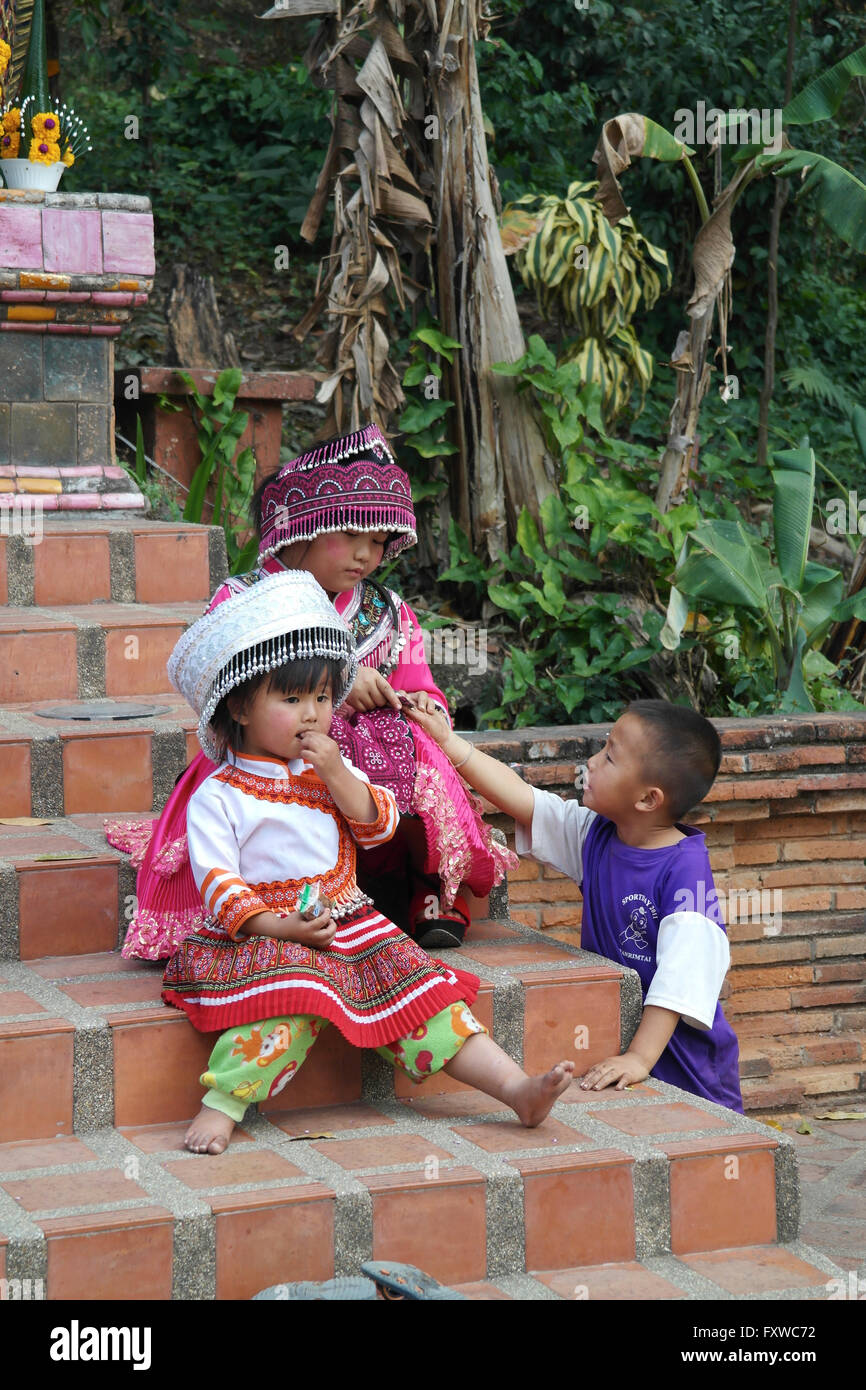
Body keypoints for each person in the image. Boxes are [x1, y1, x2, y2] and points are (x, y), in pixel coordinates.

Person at [161, 570, 575, 1154]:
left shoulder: (329, 770)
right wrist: (279, 926)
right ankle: (225, 1102)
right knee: (289, 1001)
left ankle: (515, 1087)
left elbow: (378, 824)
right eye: (291, 698)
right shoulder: (220, 795)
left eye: (324, 698)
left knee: (429, 1000)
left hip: (354, 922)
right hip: (264, 933)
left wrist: (336, 772)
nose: (312, 714)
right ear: (239, 705)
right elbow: (218, 881)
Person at [108, 423, 514, 960]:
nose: (365, 555)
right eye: (349, 535)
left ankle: (434, 888)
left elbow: (423, 687)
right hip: (268, 759)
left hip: (363, 776)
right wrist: (337, 690)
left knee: (416, 743)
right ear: (305, 524)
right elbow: (226, 692)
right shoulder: (245, 599)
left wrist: (415, 707)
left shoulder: (388, 611)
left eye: (377, 541)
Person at [403, 696, 743, 1112]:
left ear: (648, 800)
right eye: (603, 746)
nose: (592, 762)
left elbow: (679, 984)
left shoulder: (686, 874)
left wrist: (638, 1058)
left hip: (689, 1068)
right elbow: (526, 800)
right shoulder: (600, 836)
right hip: (621, 1051)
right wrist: (450, 744)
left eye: (610, 757)